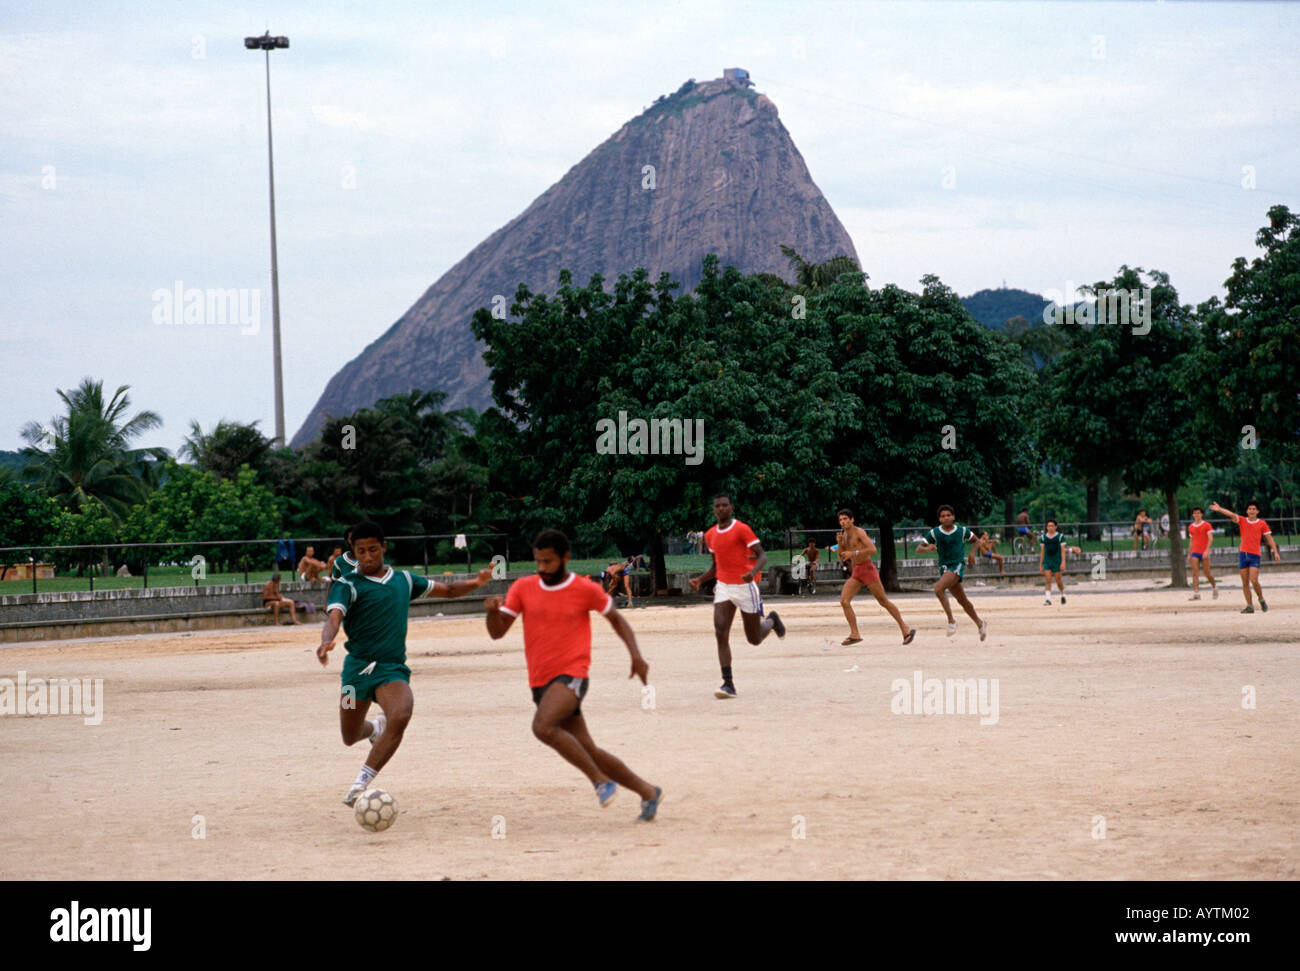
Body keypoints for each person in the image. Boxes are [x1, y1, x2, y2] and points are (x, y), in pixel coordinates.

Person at [484, 528, 662, 820]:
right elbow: (497, 633)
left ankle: (600, 780)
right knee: (588, 749)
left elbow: (616, 619)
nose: (542, 568)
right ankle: (648, 791)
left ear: (565, 558)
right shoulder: (523, 588)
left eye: (548, 562)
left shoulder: (585, 588)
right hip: (540, 682)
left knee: (542, 727)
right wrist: (492, 612)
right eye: (538, 561)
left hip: (572, 675)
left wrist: (636, 656)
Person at [317, 520, 492, 806]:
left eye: (373, 549)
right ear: (353, 552)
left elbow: (447, 591)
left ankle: (360, 783)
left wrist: (476, 582)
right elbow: (334, 618)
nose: (368, 557)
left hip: (390, 669)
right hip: (355, 674)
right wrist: (325, 641)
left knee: (401, 713)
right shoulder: (346, 585)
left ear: (384, 547)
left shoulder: (404, 580)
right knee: (349, 736)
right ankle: (374, 729)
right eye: (360, 551)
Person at [688, 494, 785, 699]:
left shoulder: (741, 529)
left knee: (754, 639)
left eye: (725, 505)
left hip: (745, 587)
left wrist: (752, 572)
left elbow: (762, 555)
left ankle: (771, 620)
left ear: (731, 508)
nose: (721, 509)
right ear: (713, 509)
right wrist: (701, 579)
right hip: (723, 587)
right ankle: (728, 683)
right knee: (720, 632)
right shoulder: (710, 535)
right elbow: (716, 566)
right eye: (717, 506)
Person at [835, 509, 914, 645]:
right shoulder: (844, 534)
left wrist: (853, 553)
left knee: (883, 601)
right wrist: (840, 544)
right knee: (844, 601)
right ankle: (855, 633)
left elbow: (873, 549)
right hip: (857, 571)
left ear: (852, 519)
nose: (843, 522)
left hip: (867, 569)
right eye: (841, 520)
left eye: (845, 519)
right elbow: (842, 556)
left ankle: (905, 628)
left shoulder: (859, 532)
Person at [916, 505, 987, 640]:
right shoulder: (934, 533)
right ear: (939, 519)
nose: (946, 517)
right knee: (962, 600)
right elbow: (919, 548)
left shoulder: (961, 531)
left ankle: (951, 621)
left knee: (938, 589)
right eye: (943, 516)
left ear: (953, 517)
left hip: (957, 565)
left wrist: (972, 554)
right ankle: (980, 623)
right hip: (944, 568)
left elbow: (976, 541)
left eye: (949, 515)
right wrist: (927, 548)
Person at [1208, 500, 1281, 613]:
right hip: (1243, 554)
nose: (1251, 511)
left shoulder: (1262, 523)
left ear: (1257, 511)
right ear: (1247, 511)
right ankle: (1249, 606)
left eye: (1254, 509)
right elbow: (1231, 514)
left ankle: (1261, 599)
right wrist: (1220, 509)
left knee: (1254, 580)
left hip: (1255, 555)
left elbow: (1269, 539)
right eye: (1250, 509)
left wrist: (1275, 552)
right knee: (1245, 582)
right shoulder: (1242, 520)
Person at [1038, 519, 1081, 605]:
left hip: (1057, 560)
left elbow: (1062, 551)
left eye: (1052, 526)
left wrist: (1063, 562)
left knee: (1058, 580)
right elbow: (1042, 552)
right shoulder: (1043, 538)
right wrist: (1041, 564)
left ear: (1055, 527)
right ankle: (1048, 599)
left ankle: (1062, 594)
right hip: (1047, 560)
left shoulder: (1060, 537)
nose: (1050, 527)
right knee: (1048, 579)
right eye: (1048, 526)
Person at [1185, 506, 1218, 600]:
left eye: (1198, 513)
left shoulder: (1207, 525)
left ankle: (1214, 587)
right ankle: (1196, 593)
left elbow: (1210, 538)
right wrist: (1188, 554)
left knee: (1207, 572)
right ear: (1193, 515)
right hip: (1195, 551)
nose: (1197, 515)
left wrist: (1207, 550)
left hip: (1204, 552)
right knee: (1195, 572)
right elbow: (1191, 541)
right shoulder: (1191, 527)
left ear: (1201, 514)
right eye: (1195, 513)